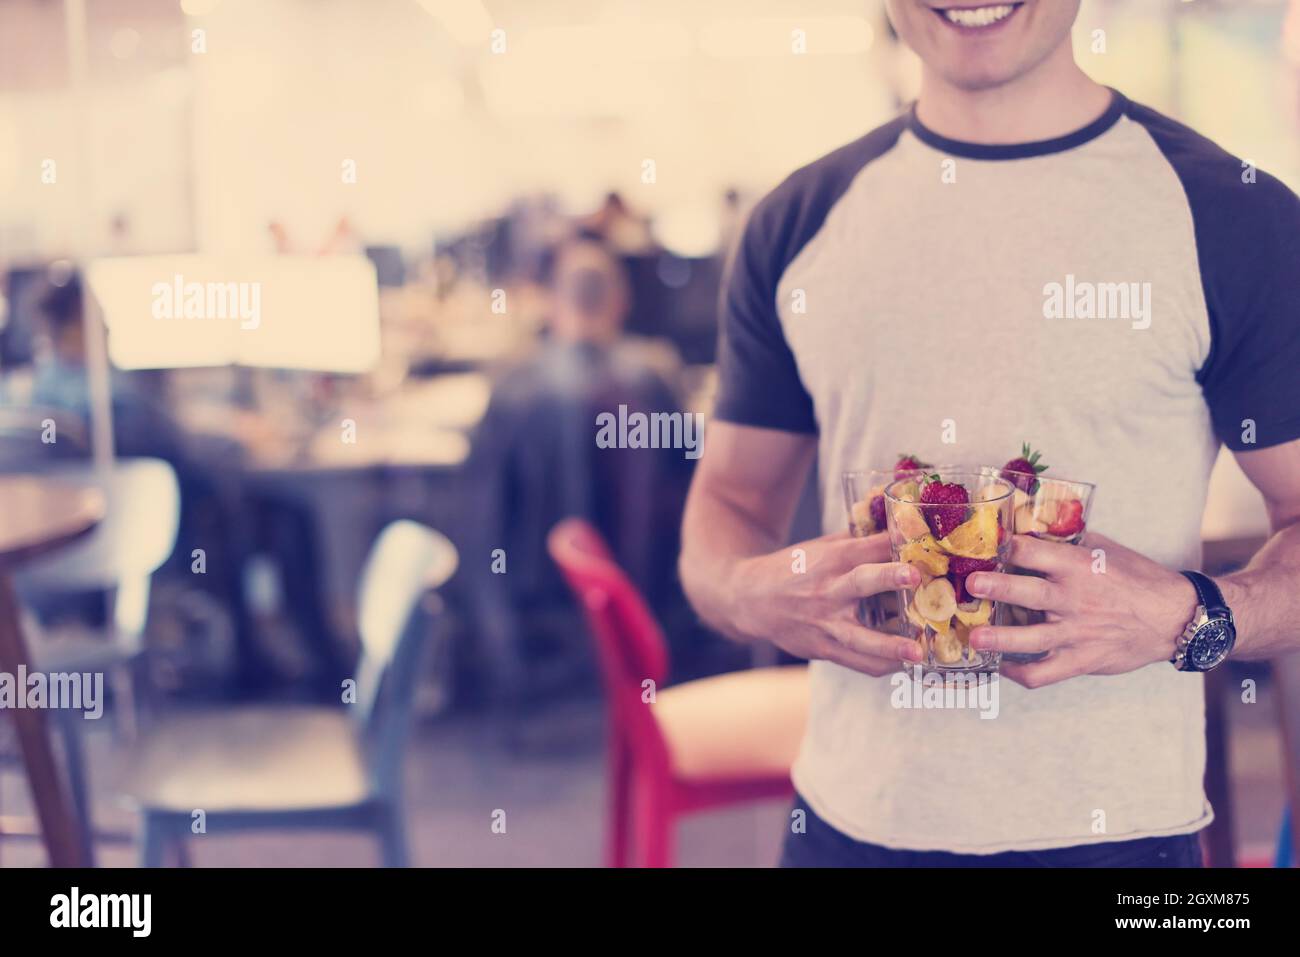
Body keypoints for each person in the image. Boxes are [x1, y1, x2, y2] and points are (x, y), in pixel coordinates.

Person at [680, 0, 1300, 867]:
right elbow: (730, 502)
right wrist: (753, 594)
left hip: (1124, 845)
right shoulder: (797, 222)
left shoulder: (1235, 218)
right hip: (845, 826)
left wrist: (1189, 615)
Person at [465, 235, 691, 724]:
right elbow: (691, 479)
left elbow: (481, 511)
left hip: (534, 577)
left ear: (549, 302)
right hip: (641, 583)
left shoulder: (511, 385)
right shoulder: (656, 376)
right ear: (621, 301)